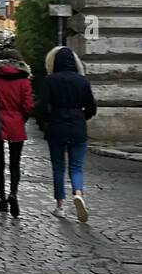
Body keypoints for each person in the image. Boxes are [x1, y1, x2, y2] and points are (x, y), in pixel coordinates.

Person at [35, 46, 97, 221]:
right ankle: (78, 193)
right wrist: (81, 116)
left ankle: (60, 205)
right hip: (78, 126)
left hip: (57, 126)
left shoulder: (50, 80)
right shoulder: (82, 81)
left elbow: (41, 106)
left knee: (58, 166)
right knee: (76, 166)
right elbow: (92, 107)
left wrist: (47, 120)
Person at [0, 48, 35, 217]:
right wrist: (22, 118)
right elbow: (28, 107)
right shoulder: (24, 80)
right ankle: (13, 193)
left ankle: (2, 199)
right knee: (15, 163)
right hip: (16, 124)